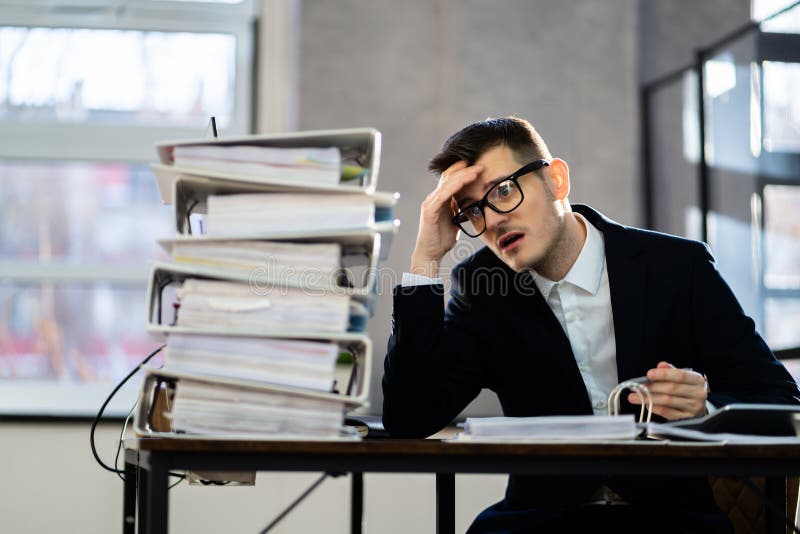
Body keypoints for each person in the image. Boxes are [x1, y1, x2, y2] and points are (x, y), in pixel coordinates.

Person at [381, 117, 800, 533]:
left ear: (556, 180)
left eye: (503, 191)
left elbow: (782, 402)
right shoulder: (481, 286)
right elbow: (409, 418)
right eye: (474, 210)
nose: (491, 221)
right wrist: (425, 260)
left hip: (671, 522)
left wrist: (704, 408)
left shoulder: (677, 267)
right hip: (539, 524)